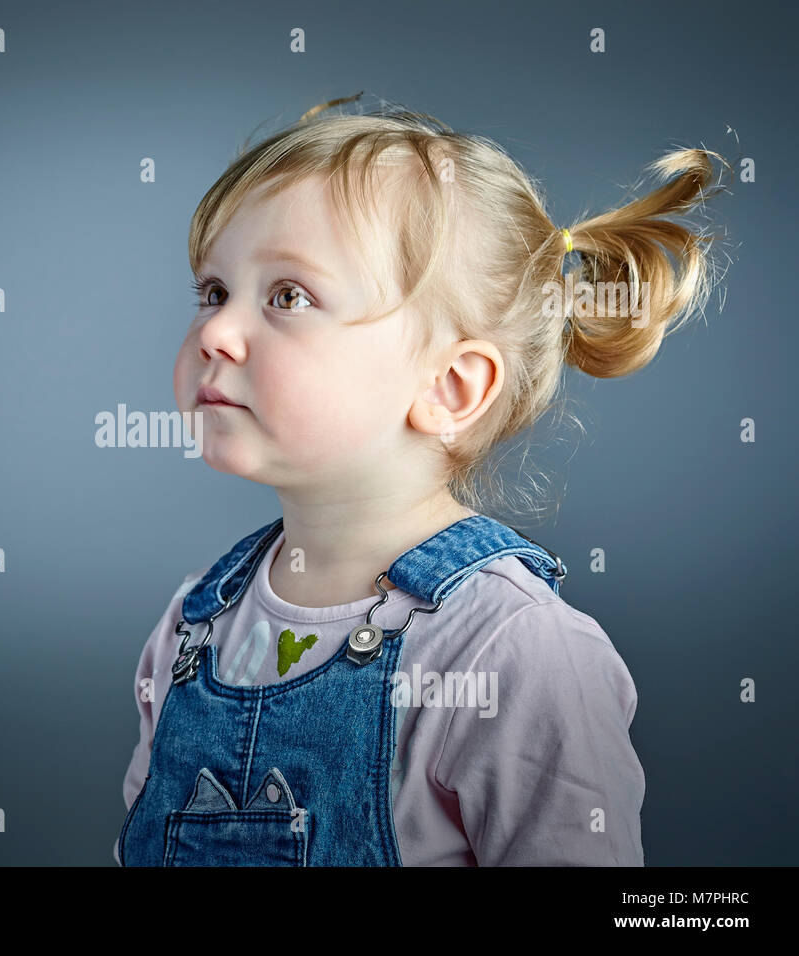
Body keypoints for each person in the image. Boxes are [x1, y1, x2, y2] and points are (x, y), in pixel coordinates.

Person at [116, 95, 729, 866]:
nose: (214, 333)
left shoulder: (516, 653)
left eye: (287, 296)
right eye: (213, 292)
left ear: (450, 389)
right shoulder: (194, 626)